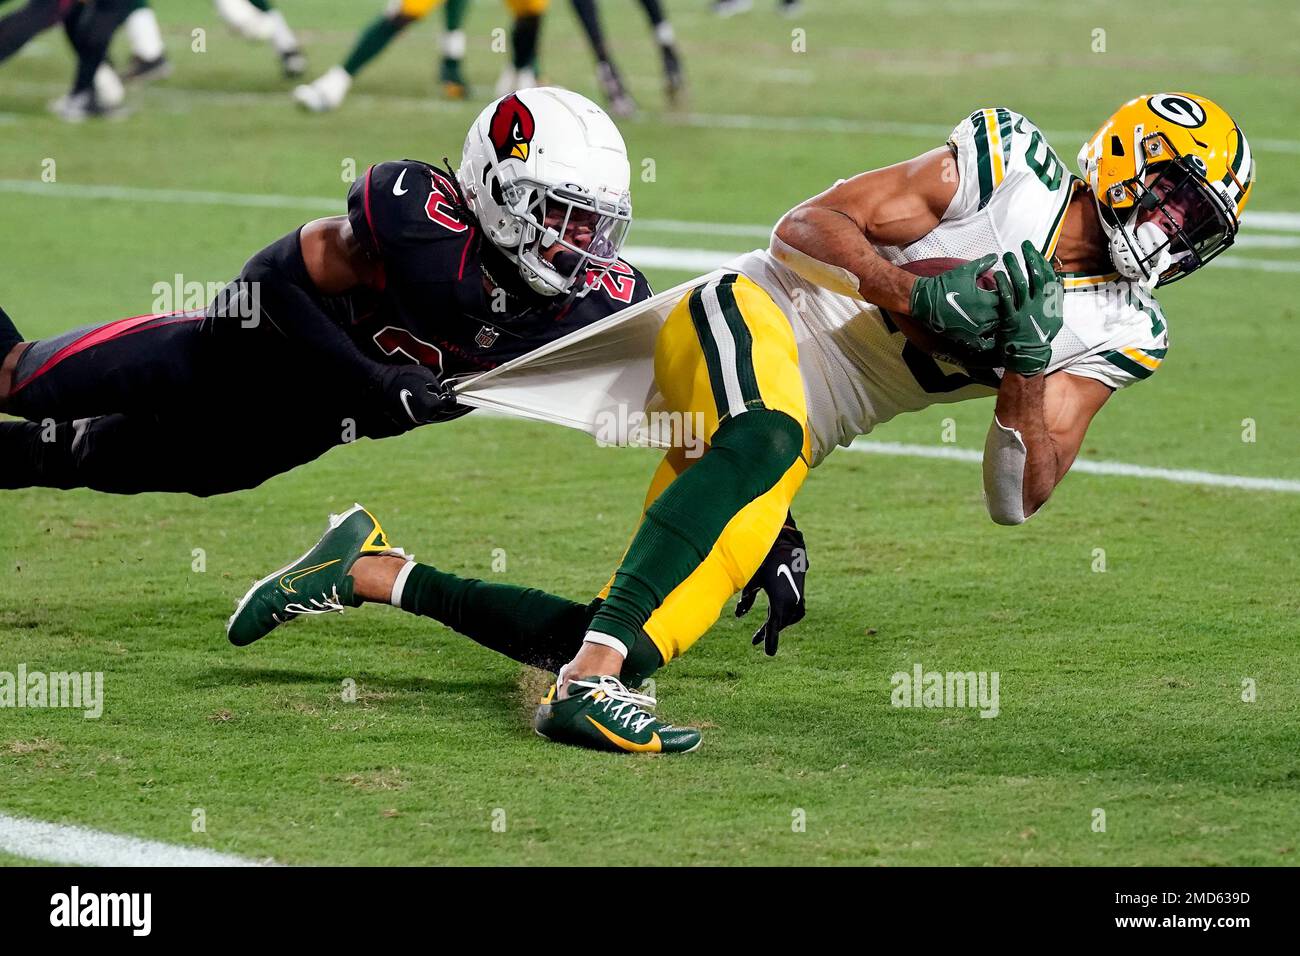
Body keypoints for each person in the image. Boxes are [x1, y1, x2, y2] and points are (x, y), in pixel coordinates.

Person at [226, 93, 1253, 755]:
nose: (1172, 229)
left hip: (803, 426)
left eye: (1194, 223)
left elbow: (1015, 498)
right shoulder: (1008, 167)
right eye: (1172, 197)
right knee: (761, 440)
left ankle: (369, 570)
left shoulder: (1125, 326)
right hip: (752, 311)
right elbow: (804, 227)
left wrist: (1026, 363)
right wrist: (906, 290)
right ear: (1128, 155)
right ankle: (586, 691)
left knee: (624, 632)